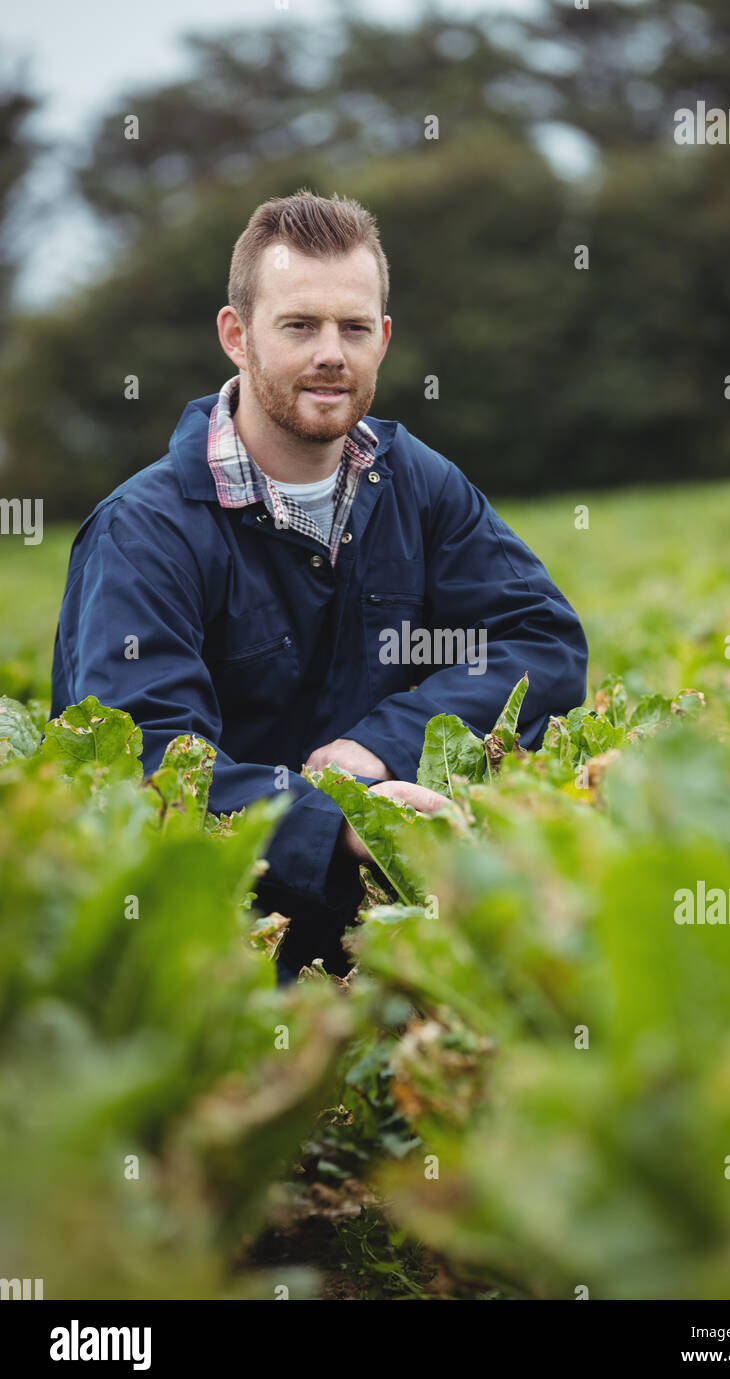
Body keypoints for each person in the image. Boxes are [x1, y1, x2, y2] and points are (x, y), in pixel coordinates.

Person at [51, 190, 588, 982]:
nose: (331, 353)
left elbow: (538, 641)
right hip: (214, 960)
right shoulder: (145, 530)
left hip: (407, 946)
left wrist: (384, 744)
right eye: (299, 325)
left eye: (354, 328)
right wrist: (335, 822)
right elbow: (143, 759)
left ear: (385, 339)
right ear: (238, 336)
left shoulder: (420, 485)